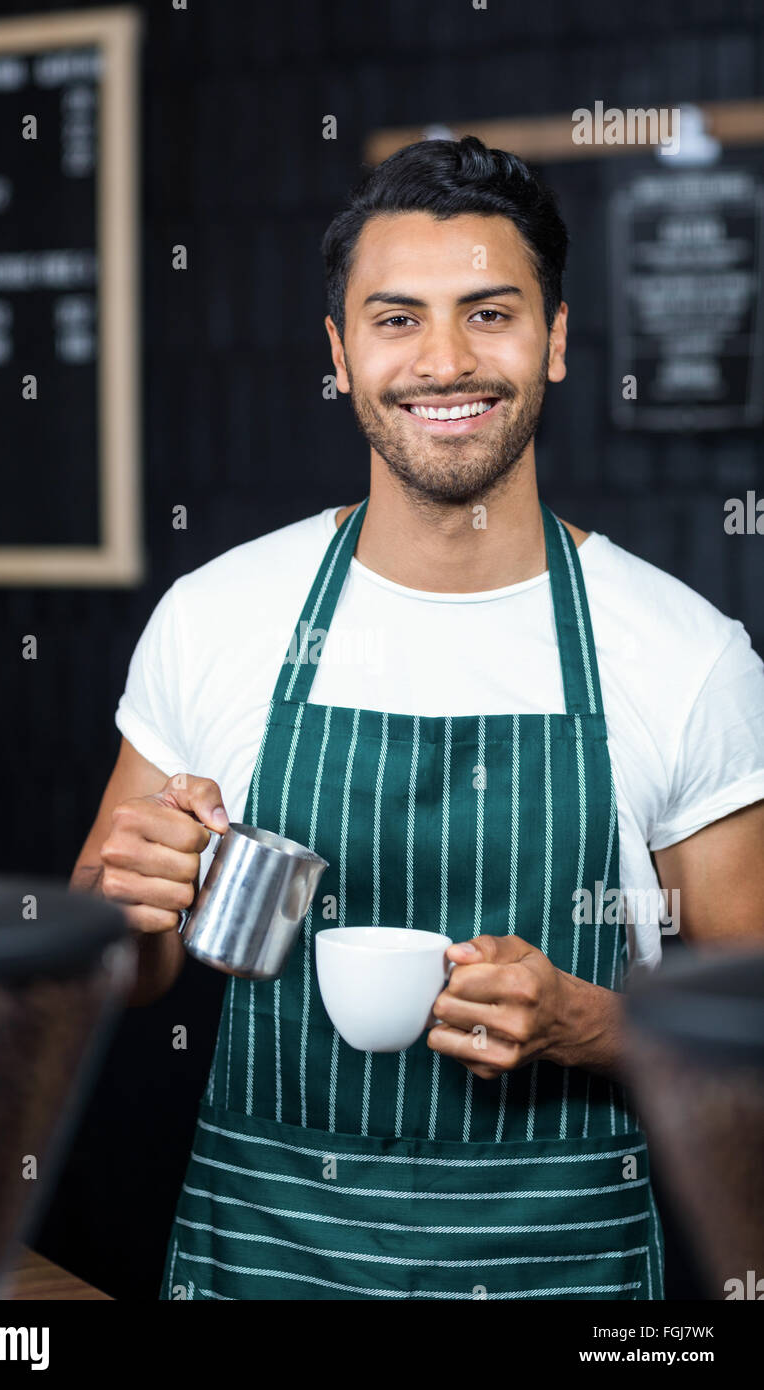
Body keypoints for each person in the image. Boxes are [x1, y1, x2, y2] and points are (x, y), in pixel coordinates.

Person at [71, 136, 764, 1301]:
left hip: (564, 1273)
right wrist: (125, 904)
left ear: (551, 340)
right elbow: (111, 969)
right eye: (395, 320)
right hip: (266, 1260)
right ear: (338, 355)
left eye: (487, 314)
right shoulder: (219, 616)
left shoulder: (682, 651)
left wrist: (592, 1026)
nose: (443, 361)